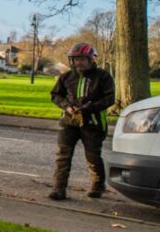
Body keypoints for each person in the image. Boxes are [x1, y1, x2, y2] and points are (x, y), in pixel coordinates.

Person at [48, 42, 115, 200]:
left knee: (92, 156)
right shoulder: (66, 77)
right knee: (63, 155)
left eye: (82, 59)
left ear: (91, 59)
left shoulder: (103, 76)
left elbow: (109, 98)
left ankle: (98, 185)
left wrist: (88, 108)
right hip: (69, 122)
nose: (79, 62)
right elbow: (55, 95)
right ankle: (59, 188)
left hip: (93, 123)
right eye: (75, 59)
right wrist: (67, 106)